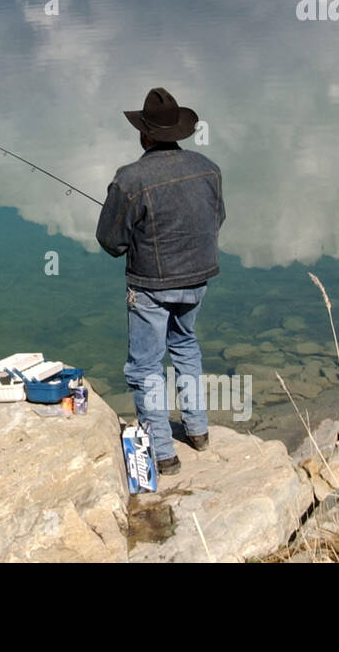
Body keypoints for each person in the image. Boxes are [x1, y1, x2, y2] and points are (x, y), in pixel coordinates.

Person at [95, 87, 225, 476]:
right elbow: (216, 219)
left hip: (152, 284)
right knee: (185, 345)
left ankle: (164, 454)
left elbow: (110, 241)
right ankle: (198, 431)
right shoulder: (209, 168)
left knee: (145, 367)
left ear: (145, 135)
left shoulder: (130, 178)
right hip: (200, 278)